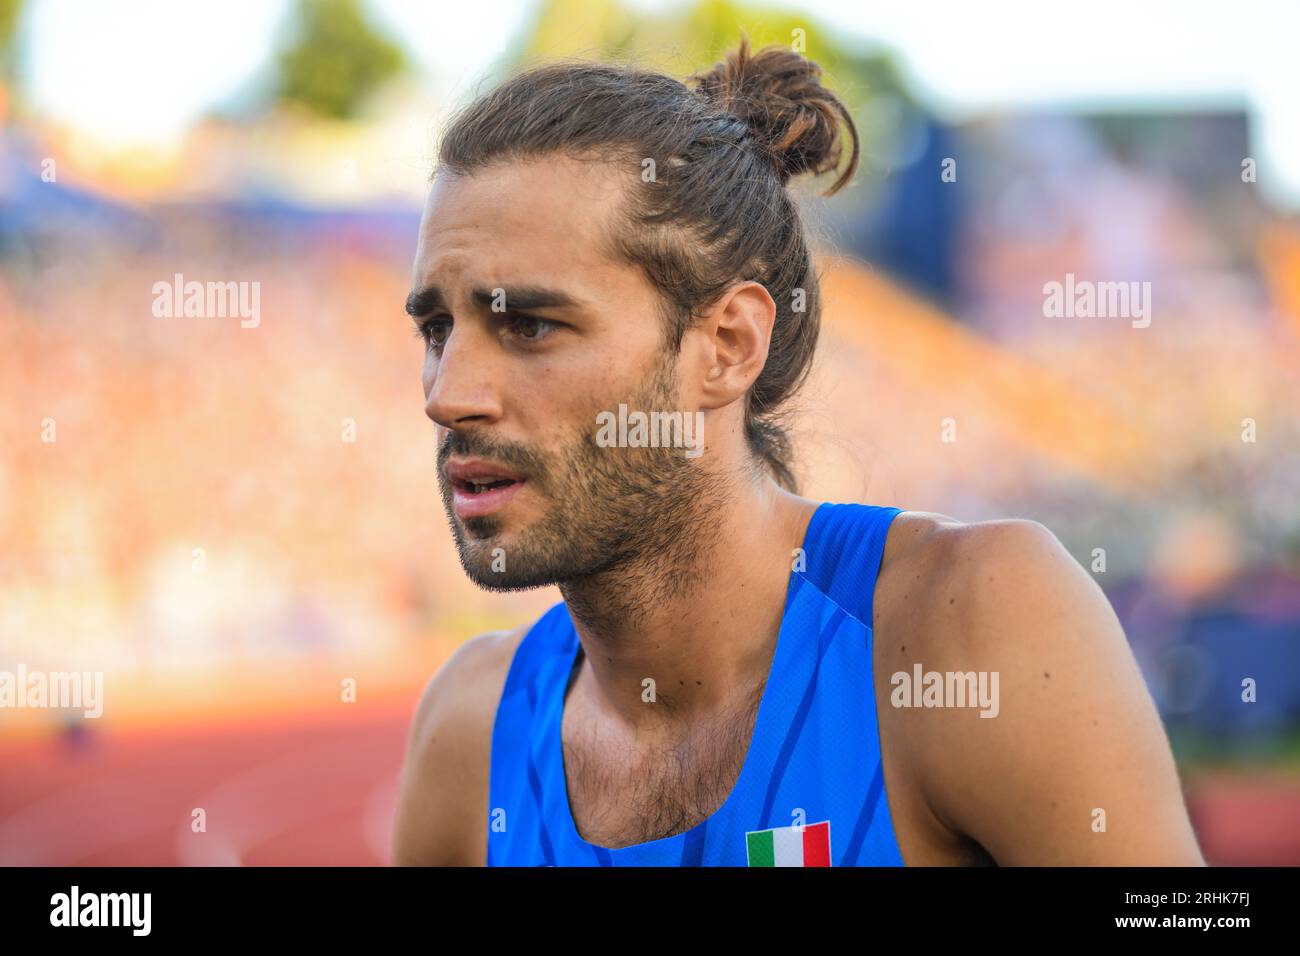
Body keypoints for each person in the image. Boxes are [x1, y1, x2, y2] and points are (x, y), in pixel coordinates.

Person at [391, 38, 1205, 866]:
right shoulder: (470, 731)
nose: (447, 394)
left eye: (528, 325)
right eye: (436, 328)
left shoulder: (962, 627)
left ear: (728, 344)